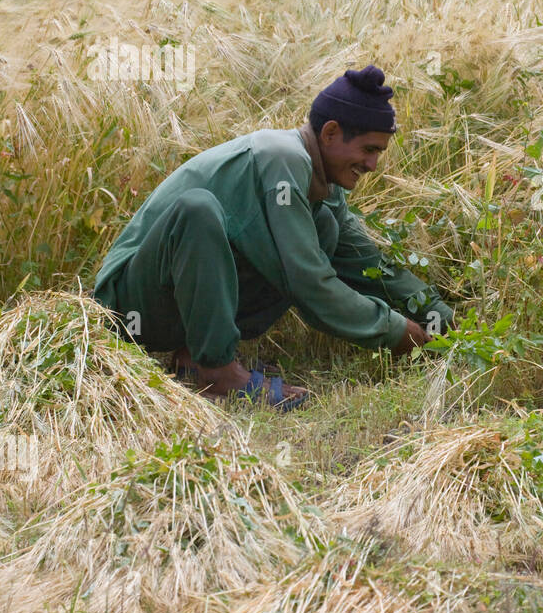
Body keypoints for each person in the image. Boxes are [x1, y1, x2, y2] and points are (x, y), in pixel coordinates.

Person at [93, 65, 453, 411]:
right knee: (197, 209)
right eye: (369, 150)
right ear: (329, 134)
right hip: (128, 304)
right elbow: (308, 280)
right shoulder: (283, 158)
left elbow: (367, 264)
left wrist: (437, 314)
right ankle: (218, 372)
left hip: (174, 306)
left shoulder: (324, 186)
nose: (373, 165)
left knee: (325, 227)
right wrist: (394, 331)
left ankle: (194, 357)